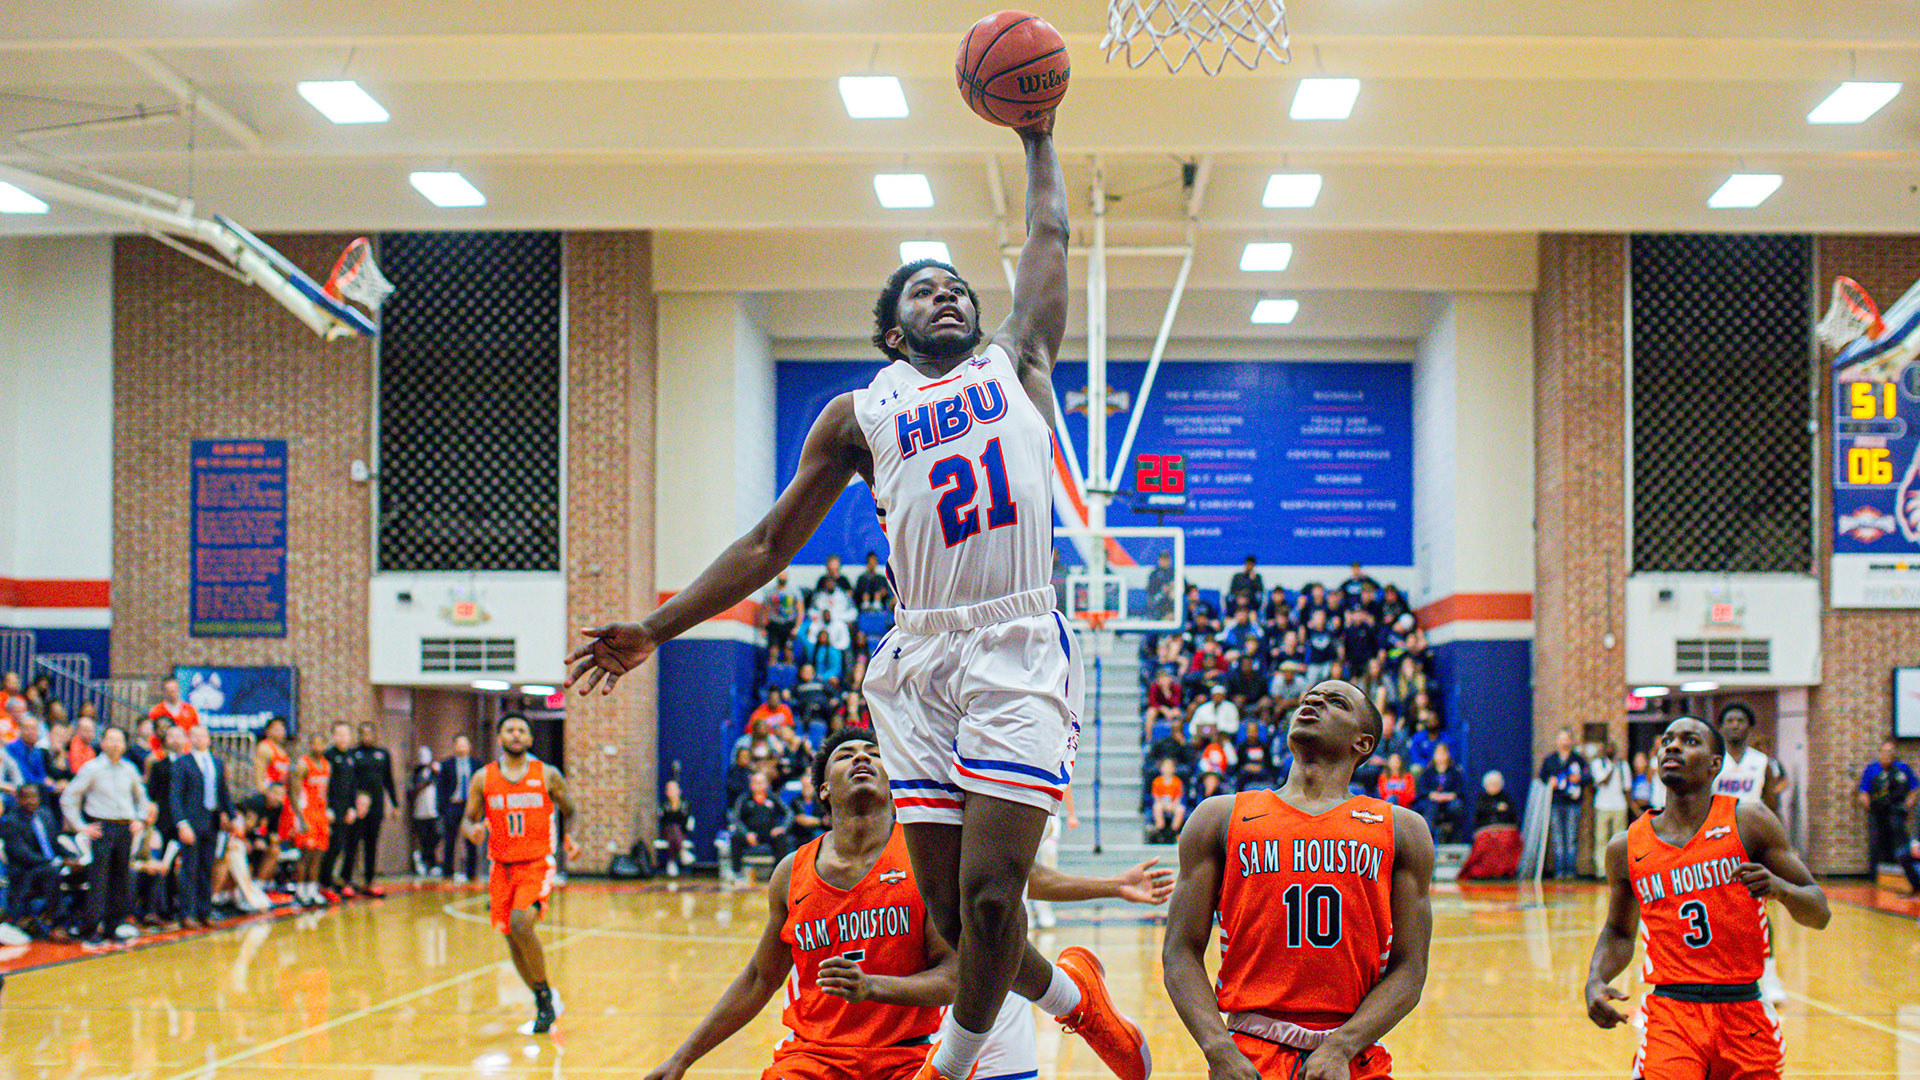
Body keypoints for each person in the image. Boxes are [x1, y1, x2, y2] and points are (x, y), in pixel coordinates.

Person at [567, 114, 1144, 1080]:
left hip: (1013, 636)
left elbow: (1049, 238)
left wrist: (1038, 136)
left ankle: (949, 1071)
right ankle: (1080, 1003)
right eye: (926, 290)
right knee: (955, 918)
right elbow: (766, 542)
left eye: (958, 286)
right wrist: (657, 629)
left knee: (996, 898)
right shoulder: (859, 415)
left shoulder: (1017, 362)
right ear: (893, 330)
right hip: (916, 655)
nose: (949, 295)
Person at [642, 728, 1173, 1080]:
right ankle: (1071, 995)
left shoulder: (927, 846)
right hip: (811, 1062)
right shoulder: (792, 873)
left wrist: (1110, 885)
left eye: (873, 753)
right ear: (821, 790)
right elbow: (760, 979)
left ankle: (1075, 999)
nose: (862, 759)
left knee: (994, 930)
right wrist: (683, 1058)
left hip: (910, 1058)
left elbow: (1017, 888)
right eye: (846, 755)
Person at [1163, 680, 1434, 1080]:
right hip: (1248, 1050)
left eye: (1335, 702)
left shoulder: (1402, 830)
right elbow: (1180, 950)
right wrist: (1219, 1049)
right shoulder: (1218, 817)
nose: (1313, 703)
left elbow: (1410, 969)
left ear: (1363, 743)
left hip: (1351, 1052)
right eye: (1309, 698)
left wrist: (1342, 1046)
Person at [1584, 716, 1830, 1080]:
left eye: (1689, 740)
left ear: (1716, 763)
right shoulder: (1626, 847)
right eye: (1667, 740)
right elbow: (1619, 932)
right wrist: (1594, 979)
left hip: (1744, 1011)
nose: (1673, 746)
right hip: (1673, 1011)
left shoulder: (1748, 821)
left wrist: (1779, 889)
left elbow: (1819, 910)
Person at [461, 713, 581, 1035]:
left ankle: (543, 1001)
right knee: (512, 937)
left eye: (522, 730)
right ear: (499, 738)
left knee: (520, 923)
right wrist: (472, 830)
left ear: (530, 739)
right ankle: (544, 996)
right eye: (510, 730)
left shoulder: (548, 775)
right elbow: (467, 819)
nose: (516, 735)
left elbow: (569, 809)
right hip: (501, 867)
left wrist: (570, 838)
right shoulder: (483, 778)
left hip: (536, 863)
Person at [61, 726, 152, 944]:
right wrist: (81, 826)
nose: (115, 744)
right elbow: (69, 797)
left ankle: (113, 926)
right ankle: (91, 928)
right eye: (110, 739)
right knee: (99, 880)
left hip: (125, 828)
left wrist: (140, 818)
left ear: (124, 744)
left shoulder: (129, 768)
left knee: (120, 878)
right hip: (102, 828)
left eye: (119, 740)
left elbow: (142, 797)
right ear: (102, 743)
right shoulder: (92, 768)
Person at [169, 724, 233, 929]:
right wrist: (182, 823)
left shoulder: (217, 762)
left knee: (207, 867)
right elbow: (175, 796)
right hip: (191, 822)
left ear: (209, 739)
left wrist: (231, 815)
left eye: (202, 735)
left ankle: (204, 910)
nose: (199, 739)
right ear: (190, 739)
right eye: (194, 736)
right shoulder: (182, 762)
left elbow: (223, 792)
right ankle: (187, 913)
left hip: (211, 821)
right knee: (189, 868)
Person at [3, 783, 68, 938]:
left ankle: (85, 922)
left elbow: (55, 843)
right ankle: (56, 923)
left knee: (85, 869)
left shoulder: (45, 814)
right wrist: (54, 862)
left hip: (48, 865)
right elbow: (23, 855)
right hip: (25, 872)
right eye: (26, 797)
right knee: (51, 871)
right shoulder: (10, 821)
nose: (31, 801)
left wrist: (71, 857)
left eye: (34, 796)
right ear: (18, 799)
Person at [344, 722, 399, 894]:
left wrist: (395, 804)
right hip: (358, 805)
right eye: (363, 733)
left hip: (376, 806)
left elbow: (388, 779)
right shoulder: (352, 754)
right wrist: (353, 802)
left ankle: (370, 880)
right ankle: (347, 880)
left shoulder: (382, 754)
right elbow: (349, 780)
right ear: (359, 735)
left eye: (369, 733)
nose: (366, 736)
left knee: (371, 843)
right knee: (352, 843)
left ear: (374, 735)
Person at [1858, 738, 1919, 867]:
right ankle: (1876, 873)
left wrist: (1907, 805)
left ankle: (1900, 871)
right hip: (1878, 813)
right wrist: (1871, 809)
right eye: (1885, 751)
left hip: (1896, 812)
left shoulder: (1902, 768)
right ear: (1880, 752)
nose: (1888, 754)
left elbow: (1913, 789)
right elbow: (1863, 792)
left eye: (1890, 751)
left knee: (1898, 842)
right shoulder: (1872, 769)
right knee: (1877, 842)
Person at [290, 733, 334, 905]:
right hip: (306, 813)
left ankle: (312, 889)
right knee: (305, 855)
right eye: (315, 743)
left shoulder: (326, 764)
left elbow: (325, 792)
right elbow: (294, 793)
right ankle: (300, 890)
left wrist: (327, 811)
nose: (318, 747)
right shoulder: (302, 764)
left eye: (321, 744)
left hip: (321, 814)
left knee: (318, 854)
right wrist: (300, 819)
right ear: (310, 745)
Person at [728, 770, 795, 882]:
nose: (758, 785)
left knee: (782, 839)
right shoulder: (744, 799)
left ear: (767, 784)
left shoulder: (774, 798)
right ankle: (737, 873)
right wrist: (746, 833)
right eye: (755, 782)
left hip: (769, 833)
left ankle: (777, 875)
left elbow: (789, 813)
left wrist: (782, 827)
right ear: (751, 784)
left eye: (761, 782)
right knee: (735, 837)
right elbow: (735, 818)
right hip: (751, 834)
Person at [1539, 729, 1587, 879]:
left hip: (1573, 803)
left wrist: (1579, 779)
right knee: (1558, 838)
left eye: (1567, 739)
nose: (1564, 741)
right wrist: (1549, 781)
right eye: (1561, 739)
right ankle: (1560, 871)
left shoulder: (1578, 759)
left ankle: (1570, 871)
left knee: (1571, 837)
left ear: (1571, 741)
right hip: (1556, 802)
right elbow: (1542, 776)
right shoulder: (1550, 759)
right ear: (1557, 741)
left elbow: (1588, 777)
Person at [438, 734, 486, 882]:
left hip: (471, 806)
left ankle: (471, 873)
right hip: (453, 805)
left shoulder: (477, 764)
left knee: (471, 840)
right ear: (454, 746)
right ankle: (447, 873)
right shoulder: (447, 765)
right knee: (450, 840)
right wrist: (443, 808)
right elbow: (441, 788)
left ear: (469, 747)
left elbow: (482, 787)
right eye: (459, 744)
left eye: (464, 744)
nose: (462, 747)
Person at [1416, 743, 1466, 843]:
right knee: (1429, 808)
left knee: (1456, 806)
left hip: (1449, 801)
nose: (1441, 756)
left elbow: (1460, 790)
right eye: (1438, 753)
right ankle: (1428, 839)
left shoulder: (1455, 772)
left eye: (1443, 753)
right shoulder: (1428, 772)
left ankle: (1455, 838)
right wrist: (1432, 794)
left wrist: (1450, 795)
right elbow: (1421, 790)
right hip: (1433, 801)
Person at [409, 747, 440, 875]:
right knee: (423, 838)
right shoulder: (416, 772)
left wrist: (435, 773)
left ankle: (432, 862)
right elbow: (412, 789)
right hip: (420, 811)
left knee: (436, 835)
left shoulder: (436, 771)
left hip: (434, 810)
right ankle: (421, 860)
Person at [761, 571, 805, 655]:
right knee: (773, 650)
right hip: (774, 623)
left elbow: (800, 610)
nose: (782, 578)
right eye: (780, 576)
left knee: (788, 650)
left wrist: (797, 627)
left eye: (784, 576)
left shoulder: (794, 591)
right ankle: (772, 667)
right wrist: (763, 627)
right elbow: (766, 609)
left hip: (788, 623)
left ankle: (789, 667)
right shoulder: (771, 591)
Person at [659, 778, 694, 877]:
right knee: (672, 828)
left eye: (674, 789)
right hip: (666, 832)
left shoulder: (685, 804)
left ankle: (671, 862)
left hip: (681, 833)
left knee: (675, 829)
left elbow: (686, 821)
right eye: (669, 789)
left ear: (679, 791)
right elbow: (664, 821)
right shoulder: (664, 805)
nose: (672, 792)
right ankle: (683, 853)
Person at [1150, 757, 1186, 839]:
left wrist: (1172, 805)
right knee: (1157, 807)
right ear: (1161, 769)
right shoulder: (1157, 781)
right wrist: (1164, 805)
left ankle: (1173, 830)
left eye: (1170, 767)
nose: (1167, 769)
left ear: (1174, 769)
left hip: (1172, 804)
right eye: (1165, 767)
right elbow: (1156, 797)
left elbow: (1178, 797)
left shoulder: (1177, 782)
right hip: (1162, 803)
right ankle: (1160, 829)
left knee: (1180, 809)